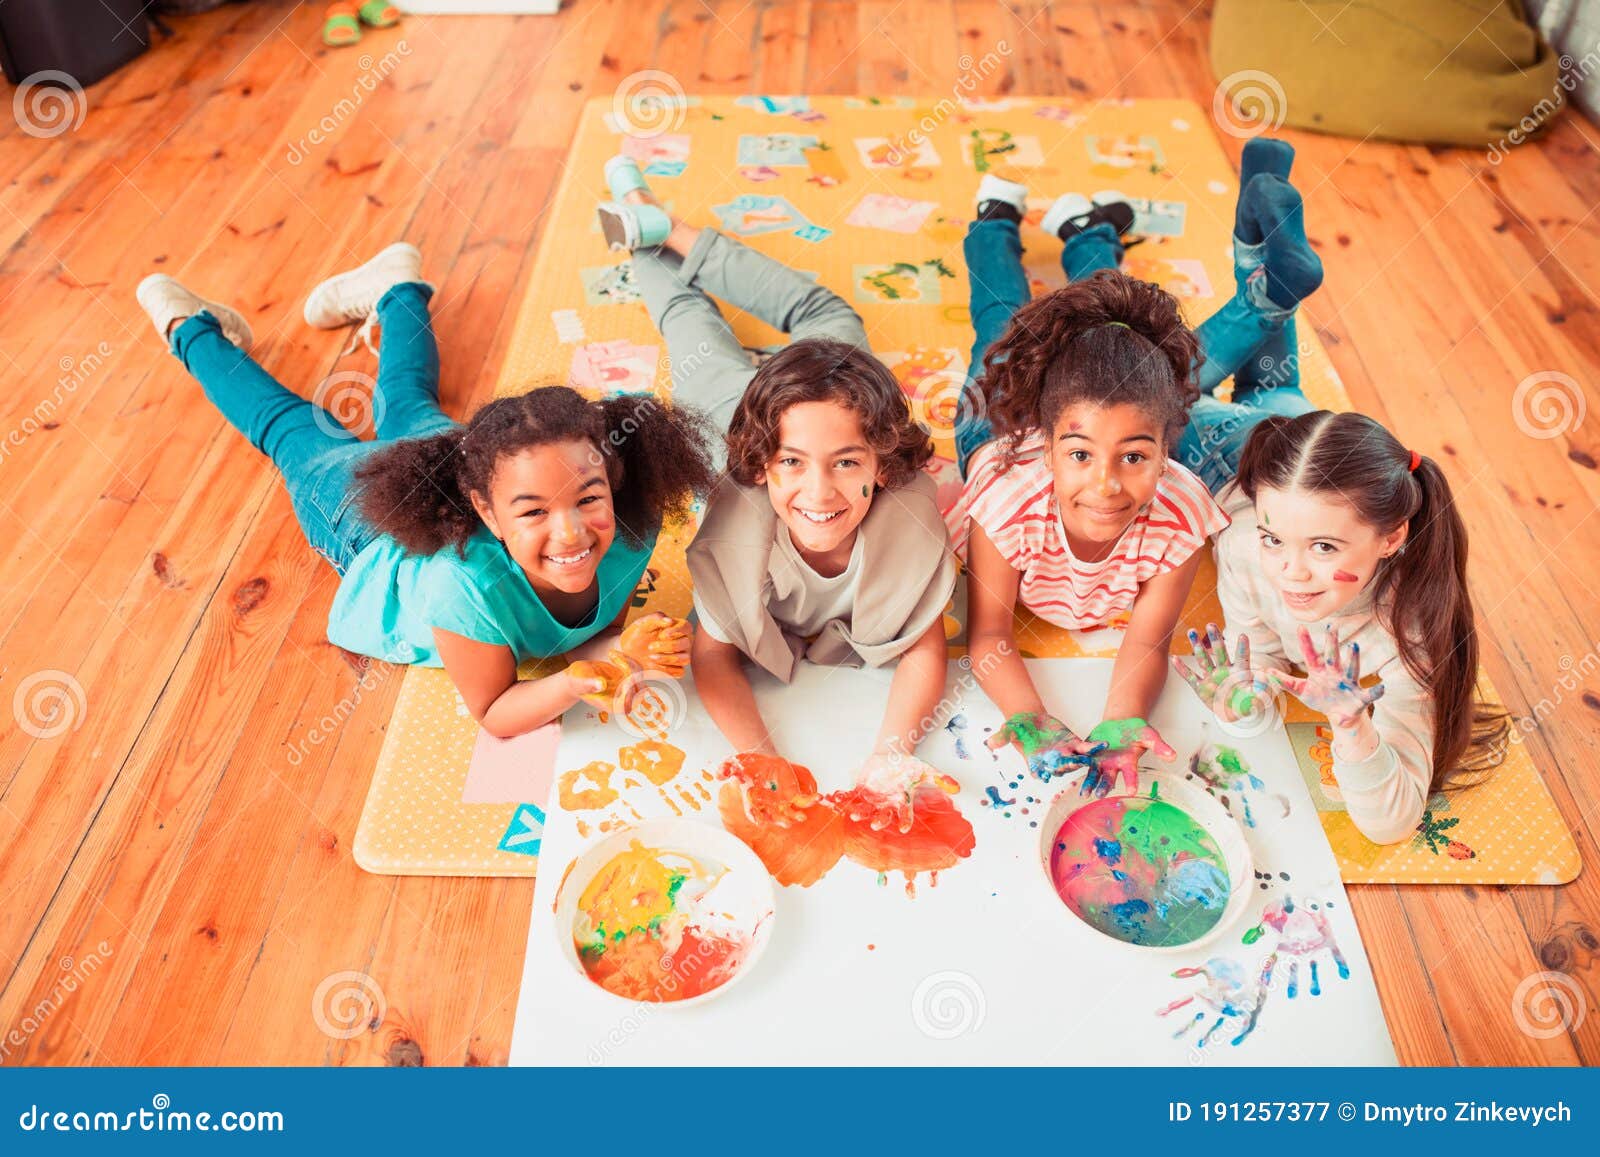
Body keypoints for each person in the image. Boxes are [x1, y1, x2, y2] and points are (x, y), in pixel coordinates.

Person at [135, 243, 716, 738]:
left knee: (411, 404)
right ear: (485, 510)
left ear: (613, 482)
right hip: (362, 515)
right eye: (534, 510)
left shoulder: (633, 523)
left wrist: (619, 663)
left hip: (443, 459)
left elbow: (595, 630)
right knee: (287, 429)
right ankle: (186, 326)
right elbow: (494, 711)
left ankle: (398, 288)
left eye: (588, 499)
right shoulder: (458, 587)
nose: (570, 532)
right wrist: (570, 684)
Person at [1173, 411, 1508, 844]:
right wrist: (1245, 695)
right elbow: (1260, 646)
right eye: (1274, 539)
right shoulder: (1245, 547)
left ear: (1390, 539)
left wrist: (1351, 726)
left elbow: (1391, 823)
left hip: (1293, 448)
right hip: (1220, 452)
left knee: (1264, 378)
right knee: (1189, 391)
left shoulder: (1411, 626)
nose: (1291, 573)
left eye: (1324, 547)